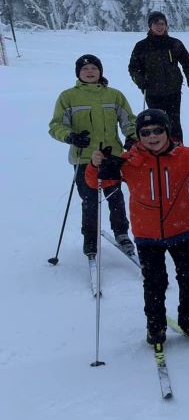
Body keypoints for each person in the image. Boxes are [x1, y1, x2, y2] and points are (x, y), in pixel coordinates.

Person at [86, 109, 189, 344]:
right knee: (155, 282)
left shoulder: (183, 155)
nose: (152, 137)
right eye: (146, 133)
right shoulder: (129, 160)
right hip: (146, 234)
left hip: (181, 229)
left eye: (157, 131)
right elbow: (96, 182)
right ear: (139, 136)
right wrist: (95, 164)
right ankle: (155, 325)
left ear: (167, 131)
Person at [48, 54, 137, 263]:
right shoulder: (68, 97)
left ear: (100, 72)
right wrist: (70, 136)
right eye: (85, 69)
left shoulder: (114, 95)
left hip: (112, 156)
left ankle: (121, 233)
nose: (90, 72)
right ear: (78, 73)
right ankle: (90, 238)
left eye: (94, 68)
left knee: (115, 197)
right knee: (89, 200)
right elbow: (55, 126)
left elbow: (128, 120)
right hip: (83, 158)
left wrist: (132, 136)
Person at [127, 11, 189, 143]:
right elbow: (133, 68)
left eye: (162, 23)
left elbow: (187, 62)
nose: (160, 27)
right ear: (150, 26)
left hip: (173, 91)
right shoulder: (142, 46)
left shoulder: (174, 43)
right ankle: (158, 149)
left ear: (166, 25)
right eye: (156, 24)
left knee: (174, 123)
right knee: (157, 123)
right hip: (152, 92)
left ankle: (178, 150)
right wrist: (141, 81)